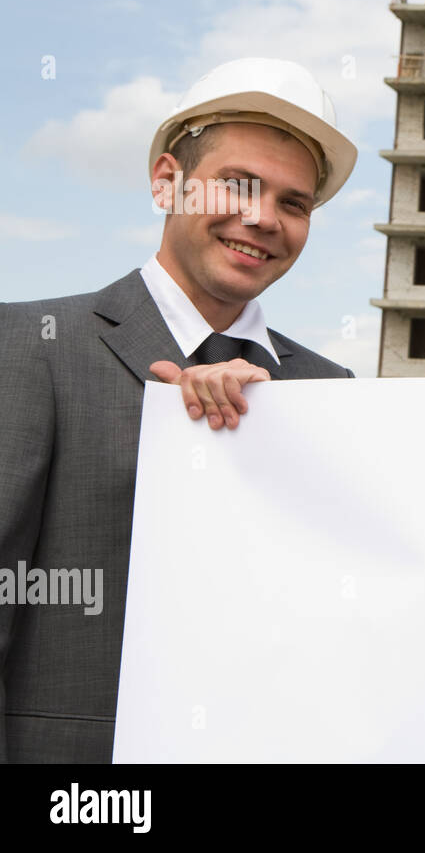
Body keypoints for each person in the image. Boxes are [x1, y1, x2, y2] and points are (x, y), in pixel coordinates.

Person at [0, 58, 359, 762]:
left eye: (294, 203)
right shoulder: (28, 348)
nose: (263, 218)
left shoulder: (328, 391)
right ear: (167, 182)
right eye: (238, 183)